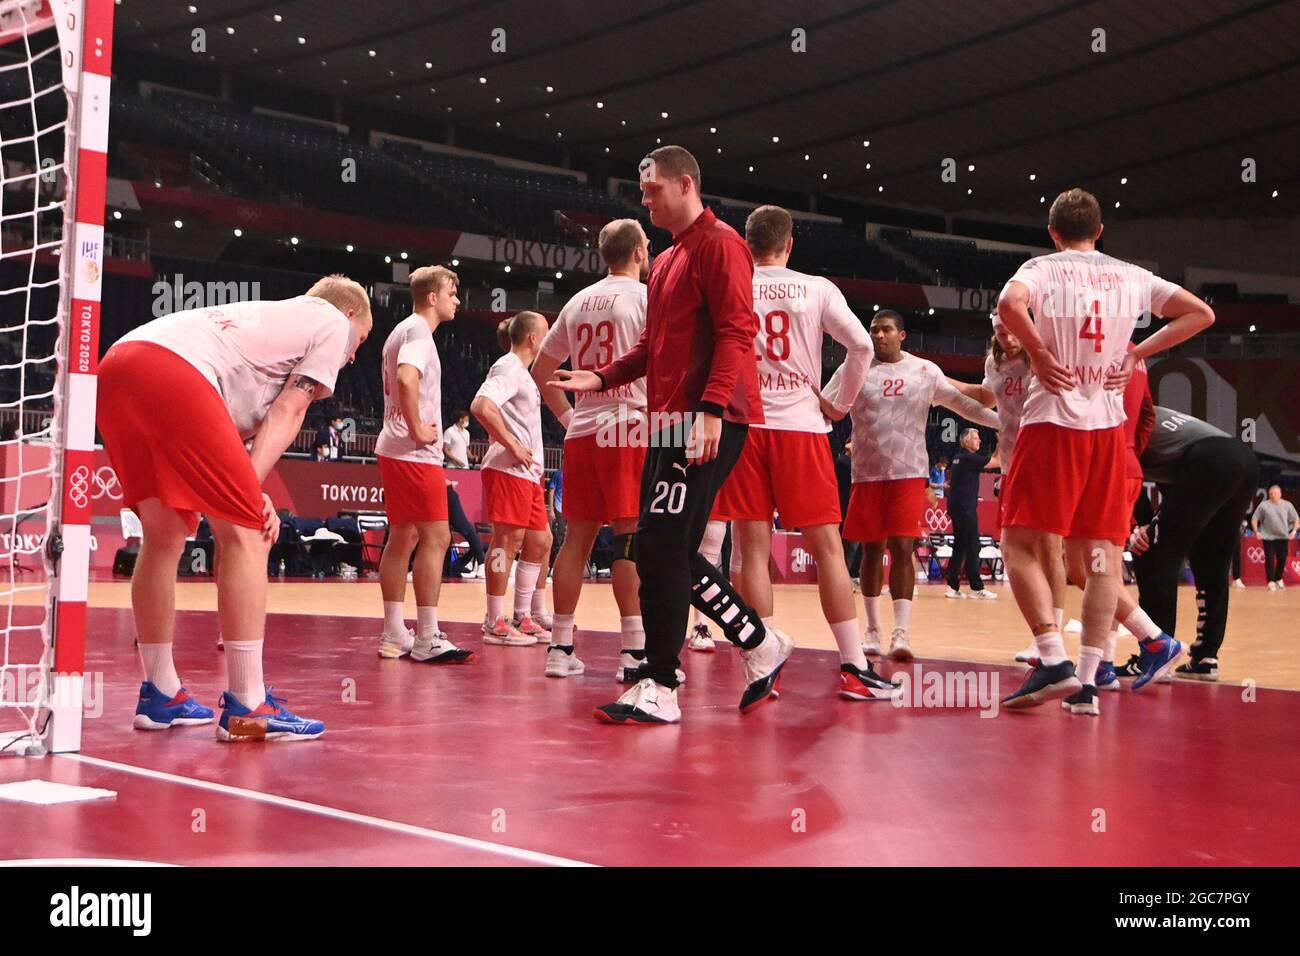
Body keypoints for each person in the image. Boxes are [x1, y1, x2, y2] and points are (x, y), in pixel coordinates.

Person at [551, 145, 792, 724]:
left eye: (653, 189)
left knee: (660, 547)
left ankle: (661, 679)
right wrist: (601, 375)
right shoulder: (665, 261)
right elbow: (650, 347)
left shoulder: (722, 245)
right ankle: (759, 643)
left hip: (706, 420)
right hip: (666, 422)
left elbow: (738, 331)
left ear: (685, 185)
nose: (645, 199)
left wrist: (710, 410)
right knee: (668, 549)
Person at [98, 275, 372, 741]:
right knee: (247, 533)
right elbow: (289, 411)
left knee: (162, 539)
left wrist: (246, 484)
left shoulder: (263, 330)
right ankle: (249, 705)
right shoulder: (329, 320)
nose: (352, 356)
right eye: (360, 340)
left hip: (120, 364)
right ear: (348, 316)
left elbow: (224, 442)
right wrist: (249, 491)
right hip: (175, 371)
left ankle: (161, 694)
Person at [996, 187, 1214, 716]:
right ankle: (1089, 685)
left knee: (1019, 545)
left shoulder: (1042, 268)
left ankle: (1052, 658)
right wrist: (1137, 351)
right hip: (1107, 434)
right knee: (1099, 562)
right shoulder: (1131, 275)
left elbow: (1008, 305)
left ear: (1052, 232)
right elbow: (1201, 314)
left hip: (1054, 425)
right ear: (1099, 232)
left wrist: (1042, 351)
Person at [712, 204, 893, 700]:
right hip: (801, 429)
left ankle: (763, 660)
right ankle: (854, 666)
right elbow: (862, 347)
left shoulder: (732, 287)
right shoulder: (817, 288)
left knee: (751, 550)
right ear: (789, 244)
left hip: (744, 426)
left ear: (747, 245)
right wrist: (838, 405)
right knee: (827, 549)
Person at [824, 310, 999, 662]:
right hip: (867, 474)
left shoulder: (924, 371)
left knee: (903, 548)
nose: (878, 335)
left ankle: (901, 632)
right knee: (871, 552)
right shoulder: (854, 367)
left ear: (902, 335)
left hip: (908, 473)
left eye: (886, 329)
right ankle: (872, 630)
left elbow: (964, 405)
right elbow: (826, 408)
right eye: (873, 330)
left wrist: (1009, 424)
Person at [532, 218, 652, 680]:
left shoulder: (578, 300)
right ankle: (634, 653)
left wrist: (569, 417)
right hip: (628, 427)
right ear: (640, 252)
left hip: (583, 431)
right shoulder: (644, 299)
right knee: (628, 536)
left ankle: (560, 647)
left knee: (576, 540)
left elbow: (543, 368)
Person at [373, 265, 473, 665]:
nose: (457, 300)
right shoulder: (417, 332)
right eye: (452, 293)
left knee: (404, 537)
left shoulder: (401, 330)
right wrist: (418, 428)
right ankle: (428, 636)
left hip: (393, 447)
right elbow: (407, 378)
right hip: (412, 450)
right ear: (432, 296)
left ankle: (394, 632)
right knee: (437, 537)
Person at [1119, 407, 1260, 682]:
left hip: (1209, 459)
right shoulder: (1148, 417)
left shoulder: (1114, 419)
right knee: (1211, 561)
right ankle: (1206, 657)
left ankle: (1156, 655)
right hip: (1243, 461)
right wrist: (1151, 523)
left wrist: (1144, 525)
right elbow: (1174, 485)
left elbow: (1126, 472)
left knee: (1152, 552)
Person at [471, 311, 554, 645]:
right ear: (533, 337)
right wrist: (513, 445)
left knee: (540, 540)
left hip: (528, 473)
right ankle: (494, 620)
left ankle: (523, 615)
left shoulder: (524, 373)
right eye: (546, 332)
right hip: (508, 468)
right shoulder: (507, 366)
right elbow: (481, 406)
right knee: (507, 542)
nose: (549, 338)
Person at [943, 428, 994, 599]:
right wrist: (1004, 440)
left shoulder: (960, 458)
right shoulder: (967, 457)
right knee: (972, 545)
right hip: (964, 508)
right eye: (975, 438)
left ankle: (953, 586)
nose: (979, 440)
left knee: (961, 546)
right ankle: (975, 587)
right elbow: (996, 461)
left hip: (959, 507)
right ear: (966, 441)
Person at [1252, 485, 1299, 590]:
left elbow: (1296, 519)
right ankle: (1270, 581)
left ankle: (1278, 578)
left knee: (1282, 559)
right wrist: (1256, 531)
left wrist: (1294, 531)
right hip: (1268, 537)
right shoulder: (1264, 505)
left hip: (1283, 536)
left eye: (1275, 493)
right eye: (1271, 494)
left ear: (1280, 494)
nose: (1273, 495)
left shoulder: (1287, 505)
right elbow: (1255, 518)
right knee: (1269, 558)